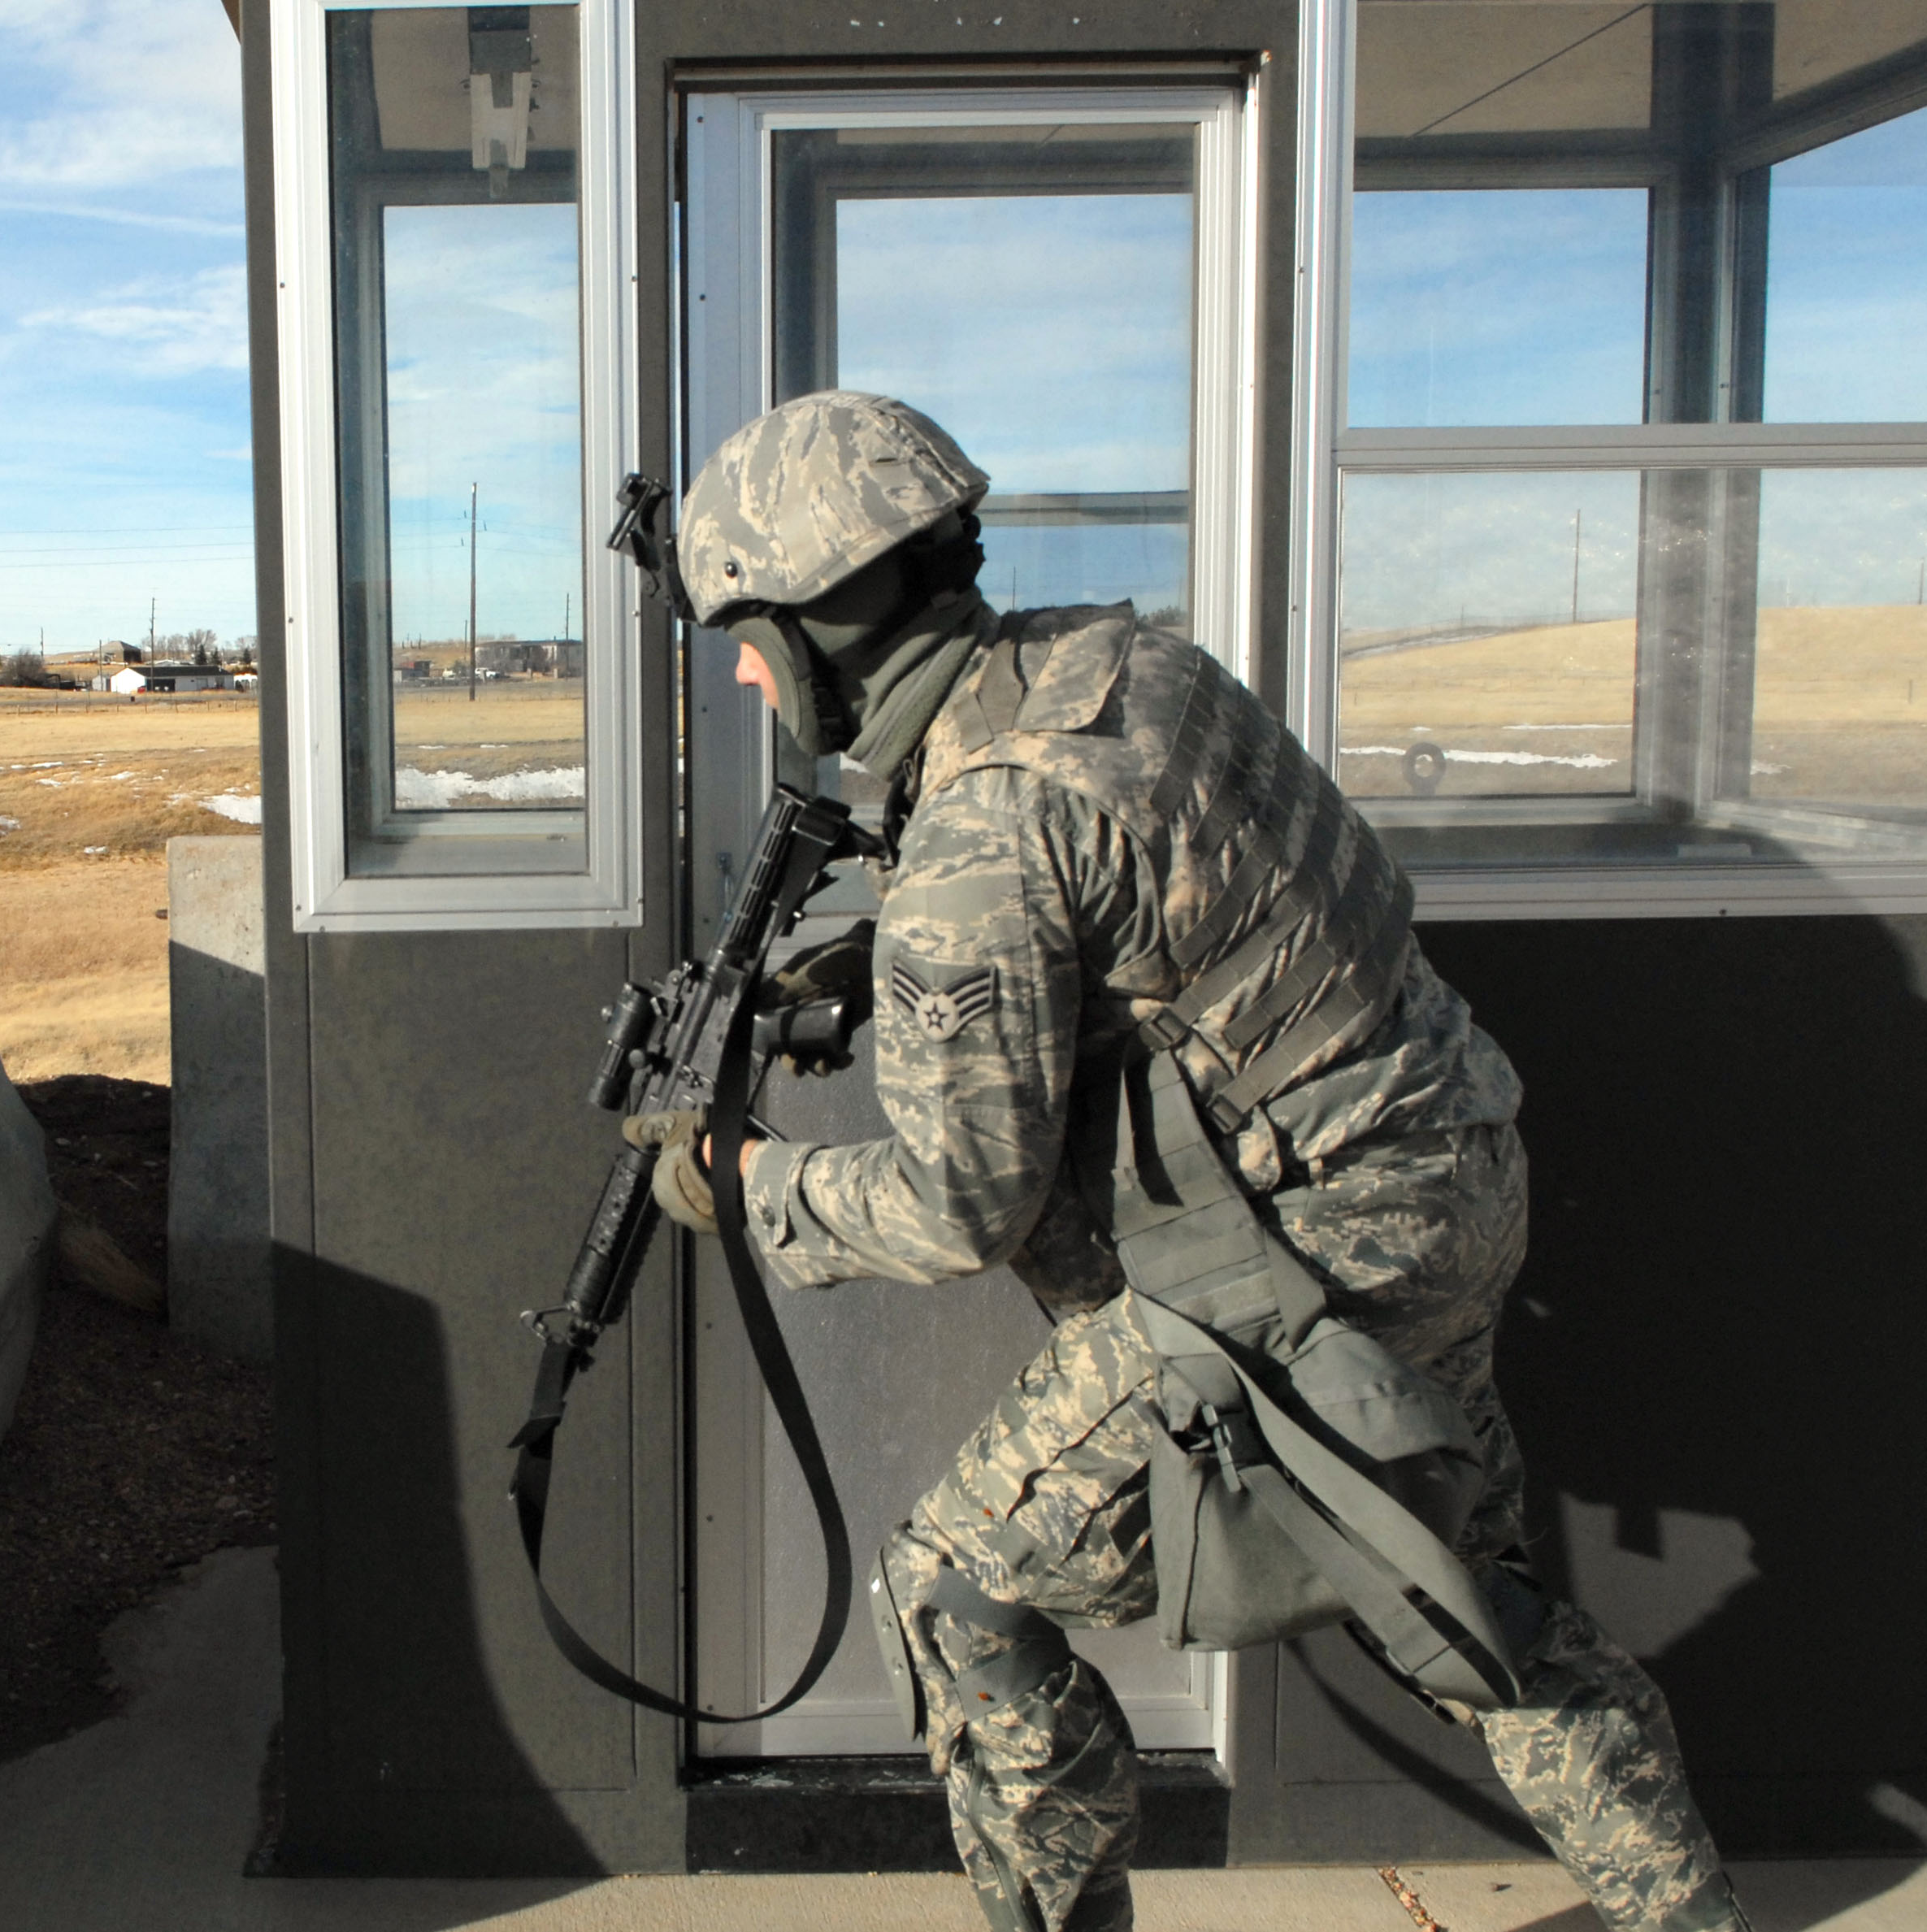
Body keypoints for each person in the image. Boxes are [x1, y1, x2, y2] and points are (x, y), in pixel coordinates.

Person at [642, 391, 1747, 1932]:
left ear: (831, 617)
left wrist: (747, 1177)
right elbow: (1167, 915)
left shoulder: (985, 823)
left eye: (751, 635)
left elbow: (958, 1205)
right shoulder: (1123, 669)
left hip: (1304, 1259)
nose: (747, 672)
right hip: (1445, 1176)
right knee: (1448, 1595)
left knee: (956, 1589)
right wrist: (893, 959)